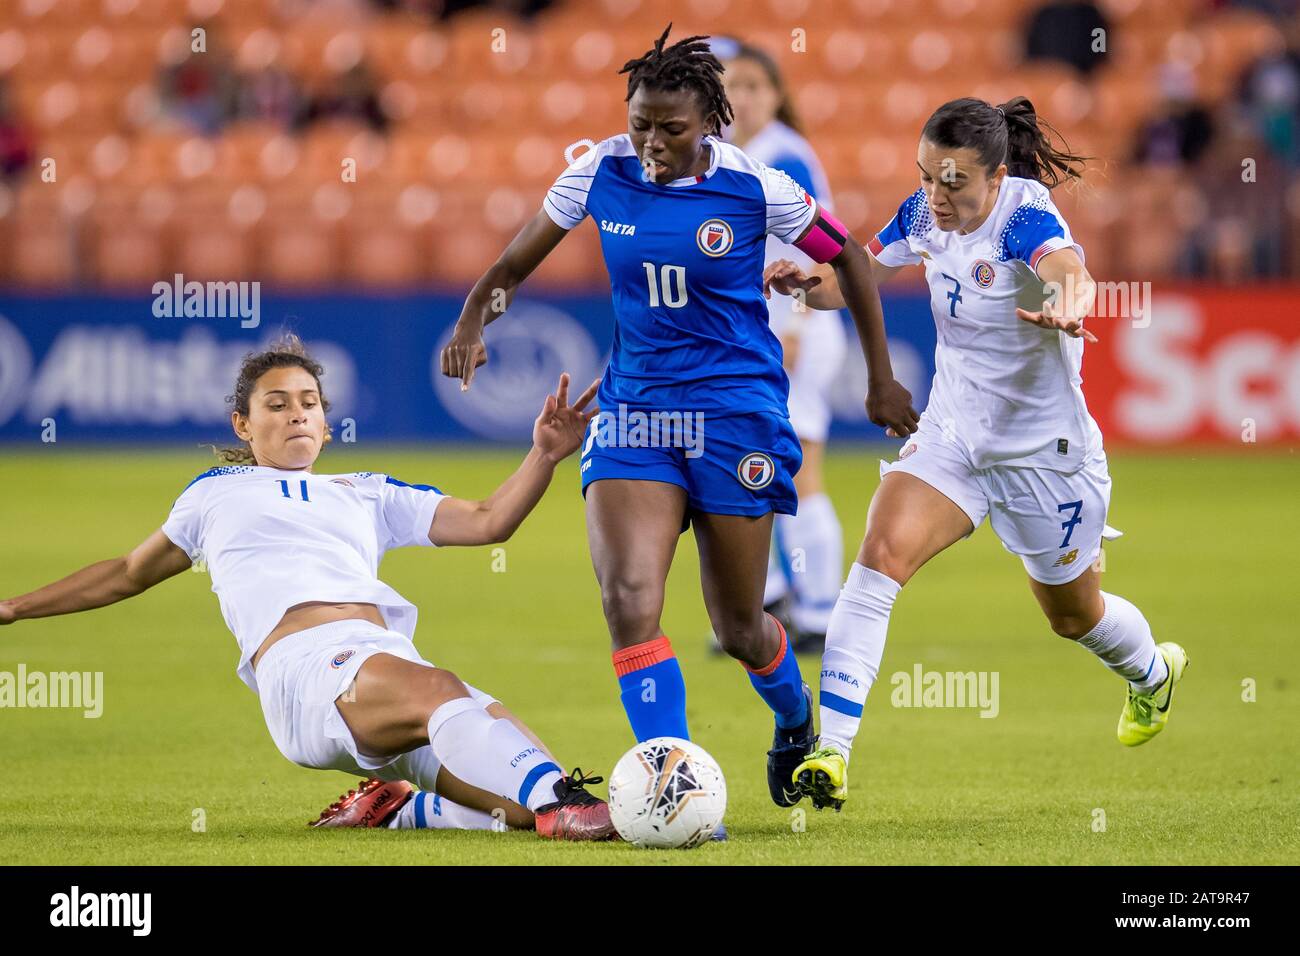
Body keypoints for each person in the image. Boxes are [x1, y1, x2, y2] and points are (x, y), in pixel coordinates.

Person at [440, 25, 917, 809]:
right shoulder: (599, 171)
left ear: (710, 125)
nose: (652, 143)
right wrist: (472, 320)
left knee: (739, 628)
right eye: (640, 124)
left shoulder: (757, 186)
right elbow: (512, 264)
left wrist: (879, 381)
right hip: (636, 414)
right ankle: (671, 780)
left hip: (737, 414)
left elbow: (851, 260)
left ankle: (795, 719)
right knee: (629, 599)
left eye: (671, 128)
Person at [0, 334, 615, 840]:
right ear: (242, 423)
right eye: (276, 403)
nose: (297, 411)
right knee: (454, 702)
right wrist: (12, 607)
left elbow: (488, 521)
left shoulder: (365, 491)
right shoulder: (214, 494)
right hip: (305, 671)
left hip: (382, 665)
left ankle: (407, 808)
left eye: (309, 402)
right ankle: (564, 804)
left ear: (325, 424)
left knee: (518, 786)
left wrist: (544, 455)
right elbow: (127, 572)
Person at [764, 97, 1189, 811]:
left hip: (1044, 455)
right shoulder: (923, 213)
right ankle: (831, 753)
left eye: (954, 183)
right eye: (927, 177)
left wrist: (1069, 301)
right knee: (879, 558)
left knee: (1071, 615)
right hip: (953, 434)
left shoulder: (1024, 215)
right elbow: (855, 278)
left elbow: (1067, 269)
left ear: (995, 177)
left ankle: (1152, 673)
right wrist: (814, 285)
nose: (937, 196)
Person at [717, 38, 847, 653]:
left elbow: (811, 246)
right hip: (757, 333)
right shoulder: (730, 154)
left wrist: (794, 325)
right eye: (731, 86)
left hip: (794, 328)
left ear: (775, 95)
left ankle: (819, 613)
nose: (740, 97)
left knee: (802, 471)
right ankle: (768, 602)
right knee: (752, 468)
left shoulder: (783, 155)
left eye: (752, 86)